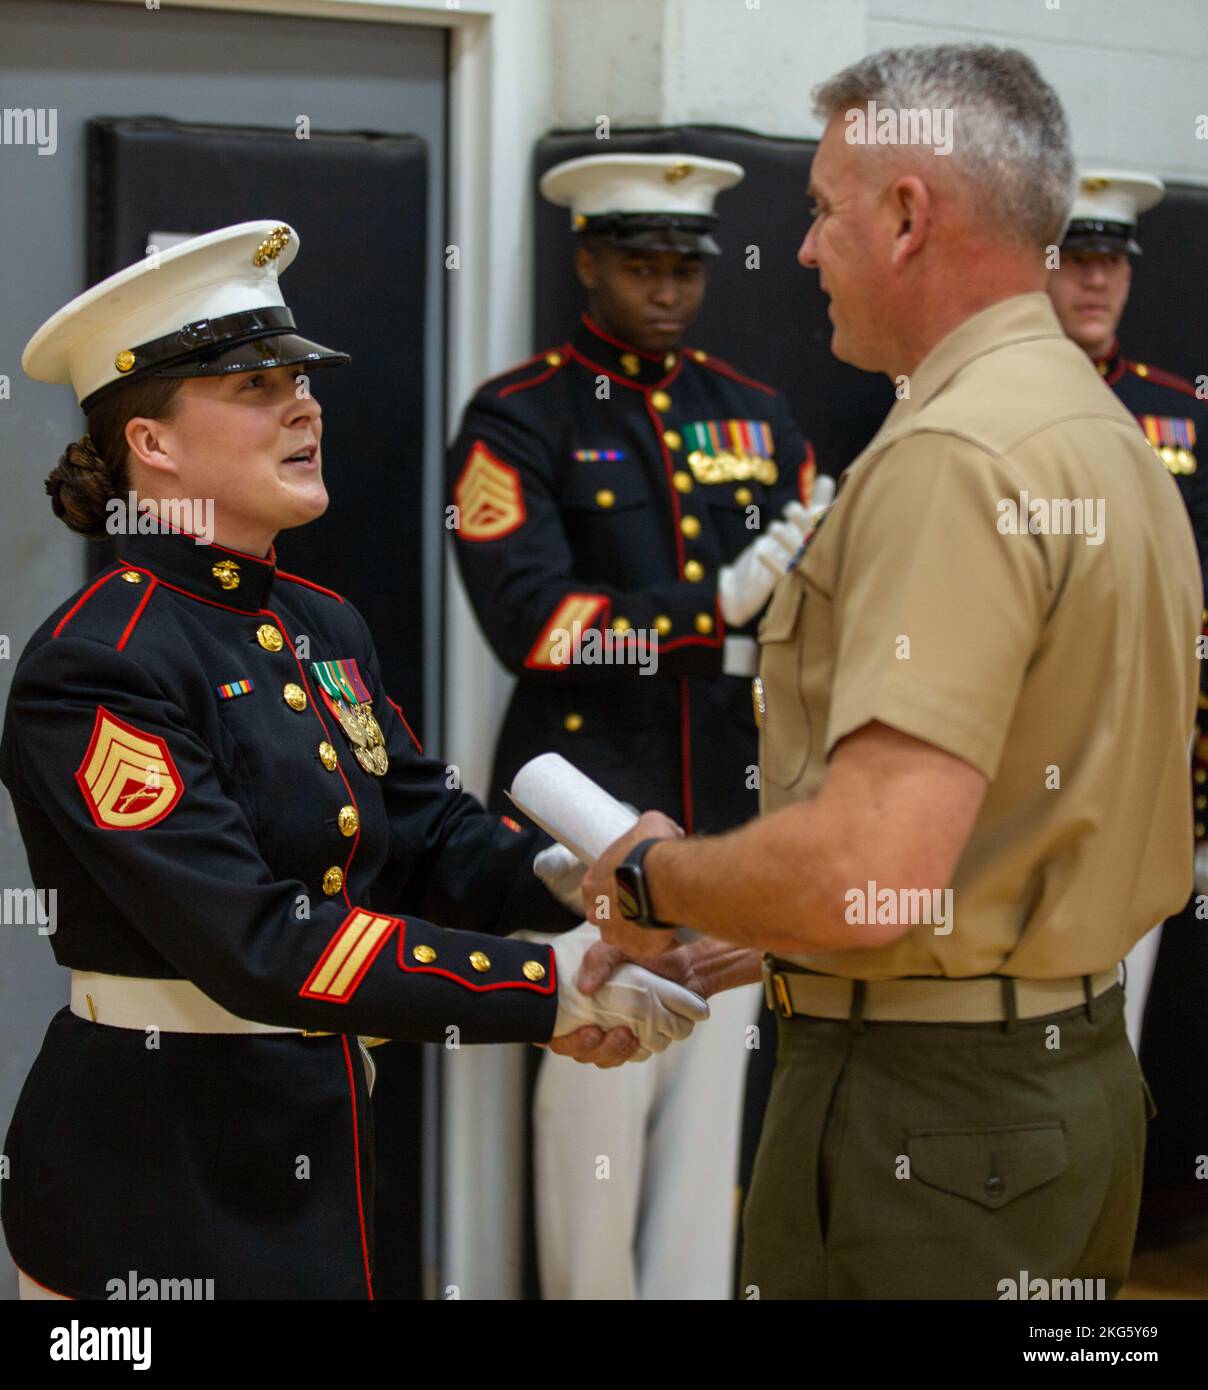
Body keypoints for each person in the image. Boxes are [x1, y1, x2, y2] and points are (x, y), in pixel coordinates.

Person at [575, 44, 1201, 1299]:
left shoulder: (951, 459)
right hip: (1069, 1086)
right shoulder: (1104, 435)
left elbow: (869, 871)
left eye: (819, 209)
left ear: (908, 217)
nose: (801, 249)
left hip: (929, 1122)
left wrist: (650, 874)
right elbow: (1002, 828)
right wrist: (748, 931)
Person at [0, 221, 705, 1301]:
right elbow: (256, 942)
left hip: (314, 1123)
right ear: (154, 446)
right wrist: (549, 989)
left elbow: (426, 832)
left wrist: (570, 884)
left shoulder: (320, 620)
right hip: (154, 1166)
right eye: (253, 385)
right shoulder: (100, 661)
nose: (303, 405)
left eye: (301, 378)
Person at [446, 153, 824, 1298]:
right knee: (593, 1120)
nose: (664, 289)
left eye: (681, 267)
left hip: (725, 817)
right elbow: (536, 626)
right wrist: (711, 608)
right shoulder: (517, 416)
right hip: (588, 833)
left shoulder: (754, 415)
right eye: (637, 264)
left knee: (712, 1133)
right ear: (586, 261)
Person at [1048, 172, 1208, 1248]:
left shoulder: (1177, 410)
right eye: (1075, 252)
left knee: (1119, 1044)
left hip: (1154, 779)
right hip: (1026, 794)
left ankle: (1087, 1270)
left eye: (1113, 257)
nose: (1097, 275)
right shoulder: (962, 402)